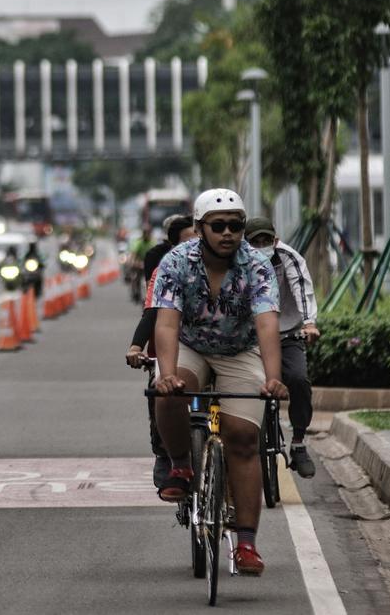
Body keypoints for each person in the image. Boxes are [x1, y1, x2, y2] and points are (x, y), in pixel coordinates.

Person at [141, 187, 287, 576]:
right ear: (200, 227)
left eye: (235, 226)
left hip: (239, 350)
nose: (228, 233)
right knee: (169, 391)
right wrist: (168, 374)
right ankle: (180, 466)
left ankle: (247, 545)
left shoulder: (256, 265)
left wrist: (274, 379)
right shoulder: (176, 261)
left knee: (242, 436)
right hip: (190, 345)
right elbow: (167, 322)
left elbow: (267, 322)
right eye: (218, 226)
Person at [245, 217, 321, 478]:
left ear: (275, 240)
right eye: (256, 242)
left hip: (287, 332)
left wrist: (309, 323)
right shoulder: (237, 261)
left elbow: (301, 287)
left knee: (299, 380)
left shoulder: (289, 257)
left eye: (267, 240)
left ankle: (299, 444)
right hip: (250, 338)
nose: (262, 246)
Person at [125, 213, 196, 488]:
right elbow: (153, 311)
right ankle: (166, 456)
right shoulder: (165, 267)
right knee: (161, 391)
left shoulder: (233, 264)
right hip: (169, 344)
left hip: (211, 348)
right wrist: (136, 346)